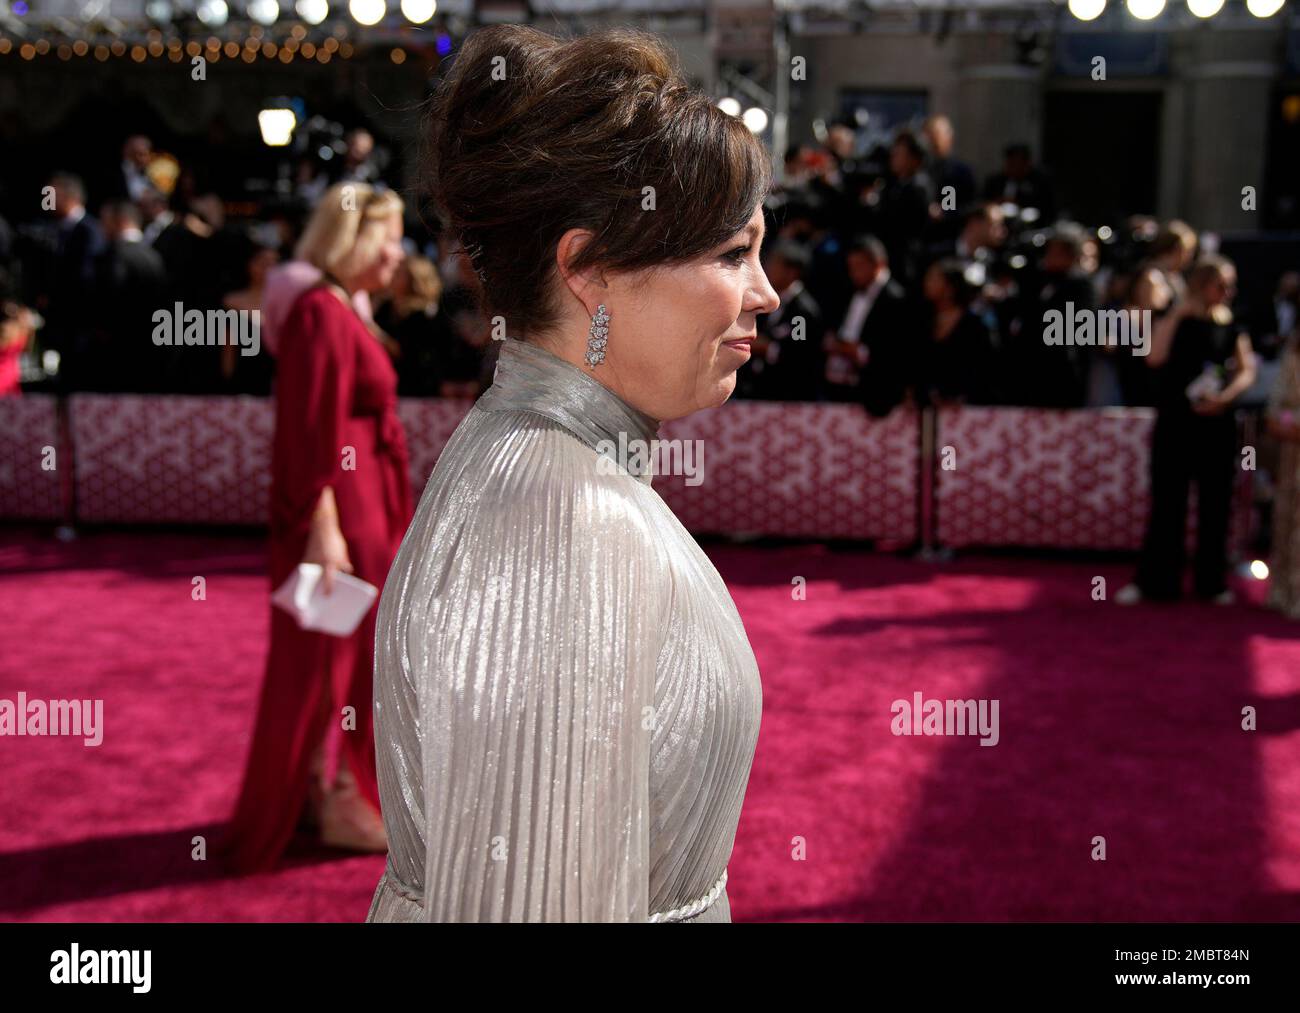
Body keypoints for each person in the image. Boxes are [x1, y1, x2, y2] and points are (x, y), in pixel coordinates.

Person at [366, 25, 775, 923]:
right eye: (730, 254)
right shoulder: (564, 518)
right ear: (590, 273)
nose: (766, 293)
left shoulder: (544, 464)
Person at [221, 182, 414, 873]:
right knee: (338, 661)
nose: (399, 254)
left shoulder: (337, 310)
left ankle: (319, 791)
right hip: (341, 518)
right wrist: (323, 526)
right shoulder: (320, 314)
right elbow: (311, 432)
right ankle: (345, 796)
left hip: (359, 511)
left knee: (341, 658)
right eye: (389, 238)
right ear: (355, 239)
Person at [1116, 256, 1257, 605]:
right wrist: (1180, 312)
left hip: (1217, 425)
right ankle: (1157, 581)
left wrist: (1224, 398)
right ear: (1201, 284)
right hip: (1177, 423)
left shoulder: (1232, 325)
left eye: (1230, 285)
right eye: (1221, 284)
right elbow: (1154, 357)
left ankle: (1212, 582)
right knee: (1167, 502)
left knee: (1215, 505)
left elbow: (1246, 369)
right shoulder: (1176, 319)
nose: (1227, 292)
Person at [1266, 327, 1300, 618]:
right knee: (1290, 518)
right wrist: (1286, 422)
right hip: (1293, 451)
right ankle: (1286, 593)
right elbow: (1279, 404)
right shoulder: (1293, 351)